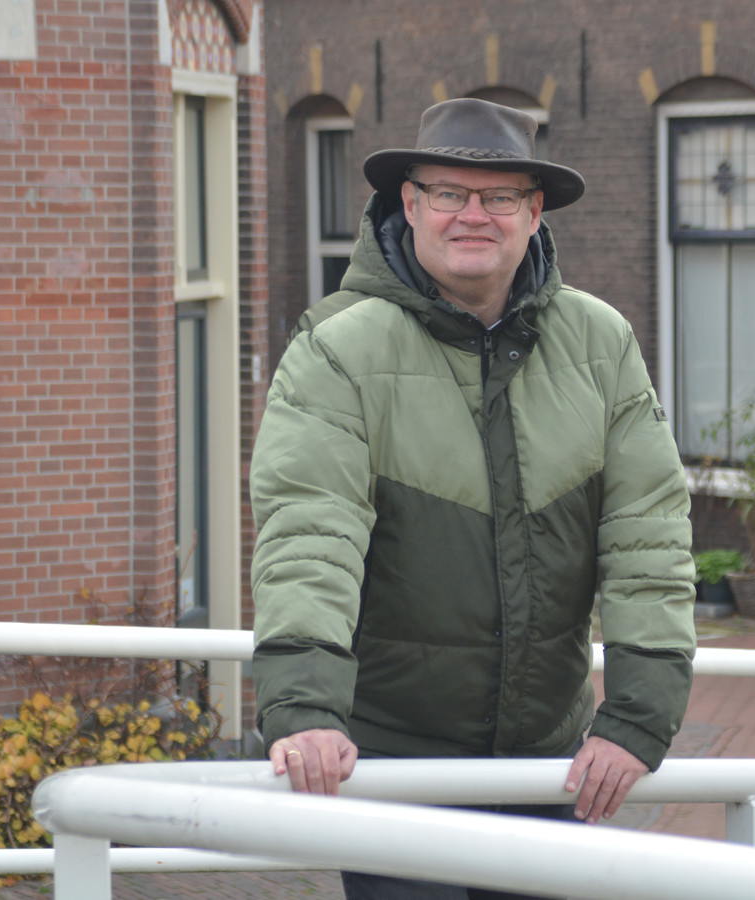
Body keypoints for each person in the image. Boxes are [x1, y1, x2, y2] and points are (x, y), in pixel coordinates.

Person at [249, 98, 697, 899]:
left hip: (547, 768)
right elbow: (310, 533)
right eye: (449, 193)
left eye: (498, 197)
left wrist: (637, 717)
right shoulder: (336, 350)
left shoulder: (603, 344)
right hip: (394, 769)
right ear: (410, 204)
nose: (472, 216)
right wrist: (306, 708)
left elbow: (648, 535)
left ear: (534, 213)